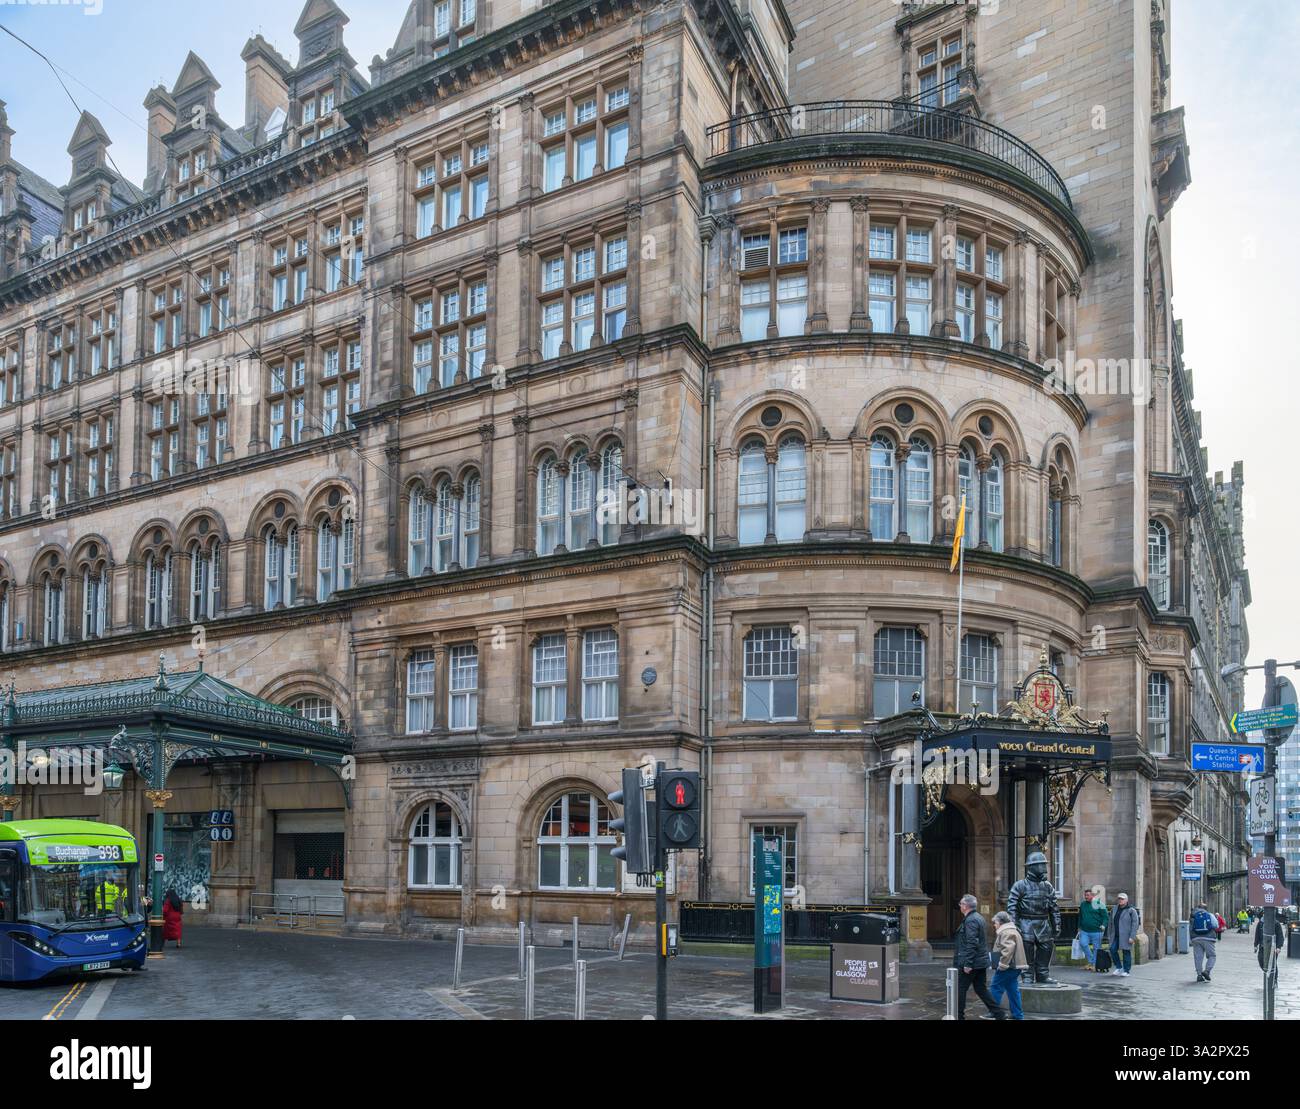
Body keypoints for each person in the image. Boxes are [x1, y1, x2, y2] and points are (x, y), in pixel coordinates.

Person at [1007, 850, 1062, 985]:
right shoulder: (1020, 885)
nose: (1043, 868)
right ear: (1031, 867)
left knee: (1046, 949)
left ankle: (1043, 975)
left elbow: (1054, 908)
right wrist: (1015, 925)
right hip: (1026, 923)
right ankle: (1027, 975)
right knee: (1027, 951)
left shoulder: (1048, 886)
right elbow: (1012, 907)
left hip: (1043, 923)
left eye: (1044, 864)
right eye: (1040, 865)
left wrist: (1057, 925)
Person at [954, 893, 1005, 1020]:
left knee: (960, 989)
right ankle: (999, 1013)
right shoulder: (978, 917)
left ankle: (959, 1016)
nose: (960, 906)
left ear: (965, 906)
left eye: (961, 904)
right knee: (981, 989)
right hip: (980, 961)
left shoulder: (971, 920)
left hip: (972, 962)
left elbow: (972, 942)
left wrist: (967, 963)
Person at [989, 910, 1029, 1019]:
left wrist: (1002, 965)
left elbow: (1008, 950)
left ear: (1001, 922)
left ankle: (994, 1012)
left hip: (1008, 966)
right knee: (1012, 990)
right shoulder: (1011, 930)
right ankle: (1017, 1015)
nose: (994, 925)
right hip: (1014, 966)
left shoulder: (1006, 932)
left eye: (996, 923)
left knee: (995, 987)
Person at [1105, 891, 1140, 976]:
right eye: (1119, 899)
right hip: (1115, 935)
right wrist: (1109, 934)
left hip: (1126, 936)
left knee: (1126, 952)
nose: (1120, 900)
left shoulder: (1131, 910)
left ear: (1126, 900)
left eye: (1122, 899)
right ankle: (1118, 967)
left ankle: (1126, 971)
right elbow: (1110, 922)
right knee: (1112, 949)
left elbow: (1135, 924)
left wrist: (1132, 936)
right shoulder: (1114, 909)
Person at [1076, 884, 1109, 971]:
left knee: (1096, 948)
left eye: (1088, 895)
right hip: (1084, 930)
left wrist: (1103, 925)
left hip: (1097, 931)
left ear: (1092, 895)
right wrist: (1079, 927)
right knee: (1083, 944)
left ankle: (1094, 964)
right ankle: (1091, 961)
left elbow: (1105, 917)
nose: (1086, 897)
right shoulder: (1083, 904)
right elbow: (1080, 916)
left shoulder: (1099, 904)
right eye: (1085, 895)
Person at [1190, 901, 1218, 982]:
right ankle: (1207, 971)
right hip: (1208, 938)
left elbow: (1191, 927)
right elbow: (1216, 925)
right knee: (1212, 956)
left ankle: (1199, 975)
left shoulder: (1193, 915)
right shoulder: (1209, 915)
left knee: (1198, 957)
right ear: (1206, 909)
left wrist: (1191, 939)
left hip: (1196, 938)